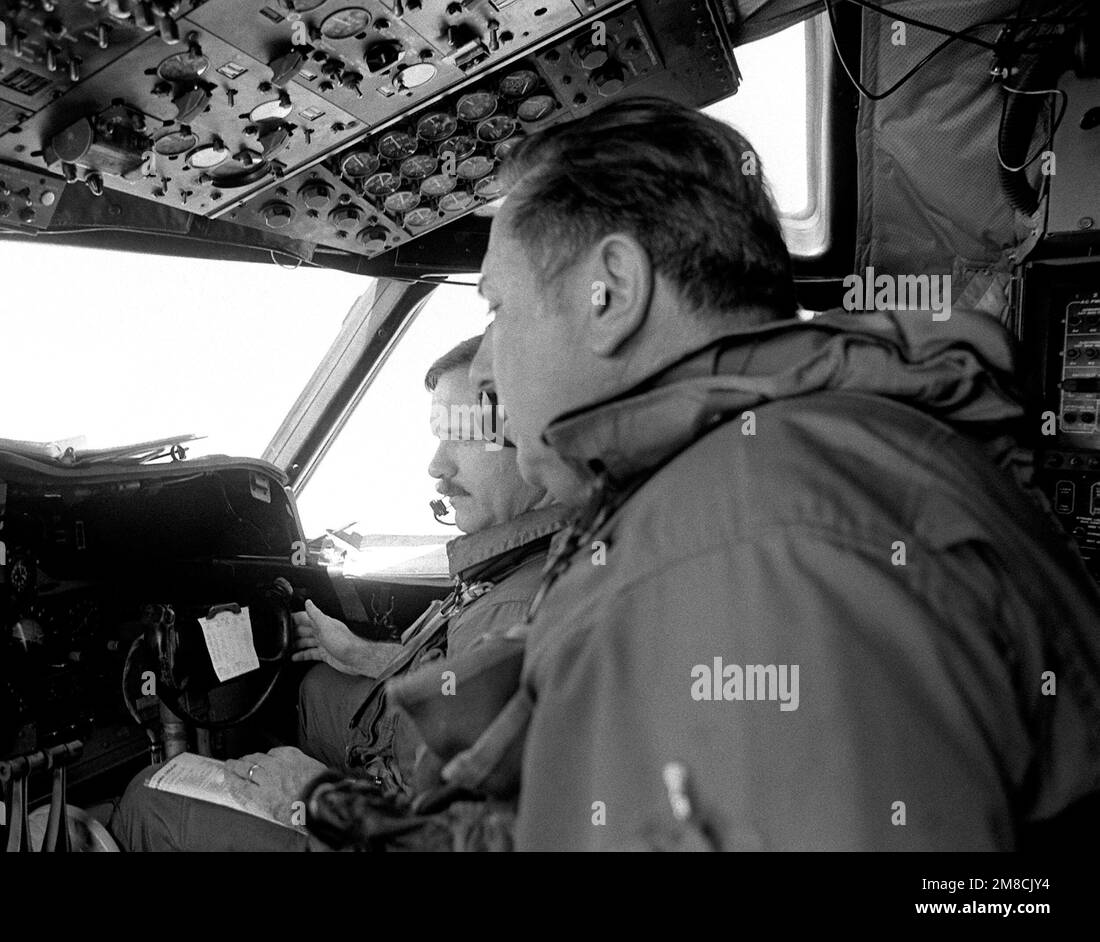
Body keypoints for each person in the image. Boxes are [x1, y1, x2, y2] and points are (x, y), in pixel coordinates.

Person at [464, 96, 1100, 850]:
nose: (489, 367)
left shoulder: (745, 549)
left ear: (611, 291)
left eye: (497, 308)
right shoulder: (790, 470)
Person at [111, 334, 566, 850]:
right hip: (413, 764)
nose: (437, 466)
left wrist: (315, 798)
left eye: (466, 433)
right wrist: (367, 656)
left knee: (149, 797)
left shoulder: (520, 605)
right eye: (441, 435)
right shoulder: (532, 556)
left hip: (410, 819)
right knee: (315, 688)